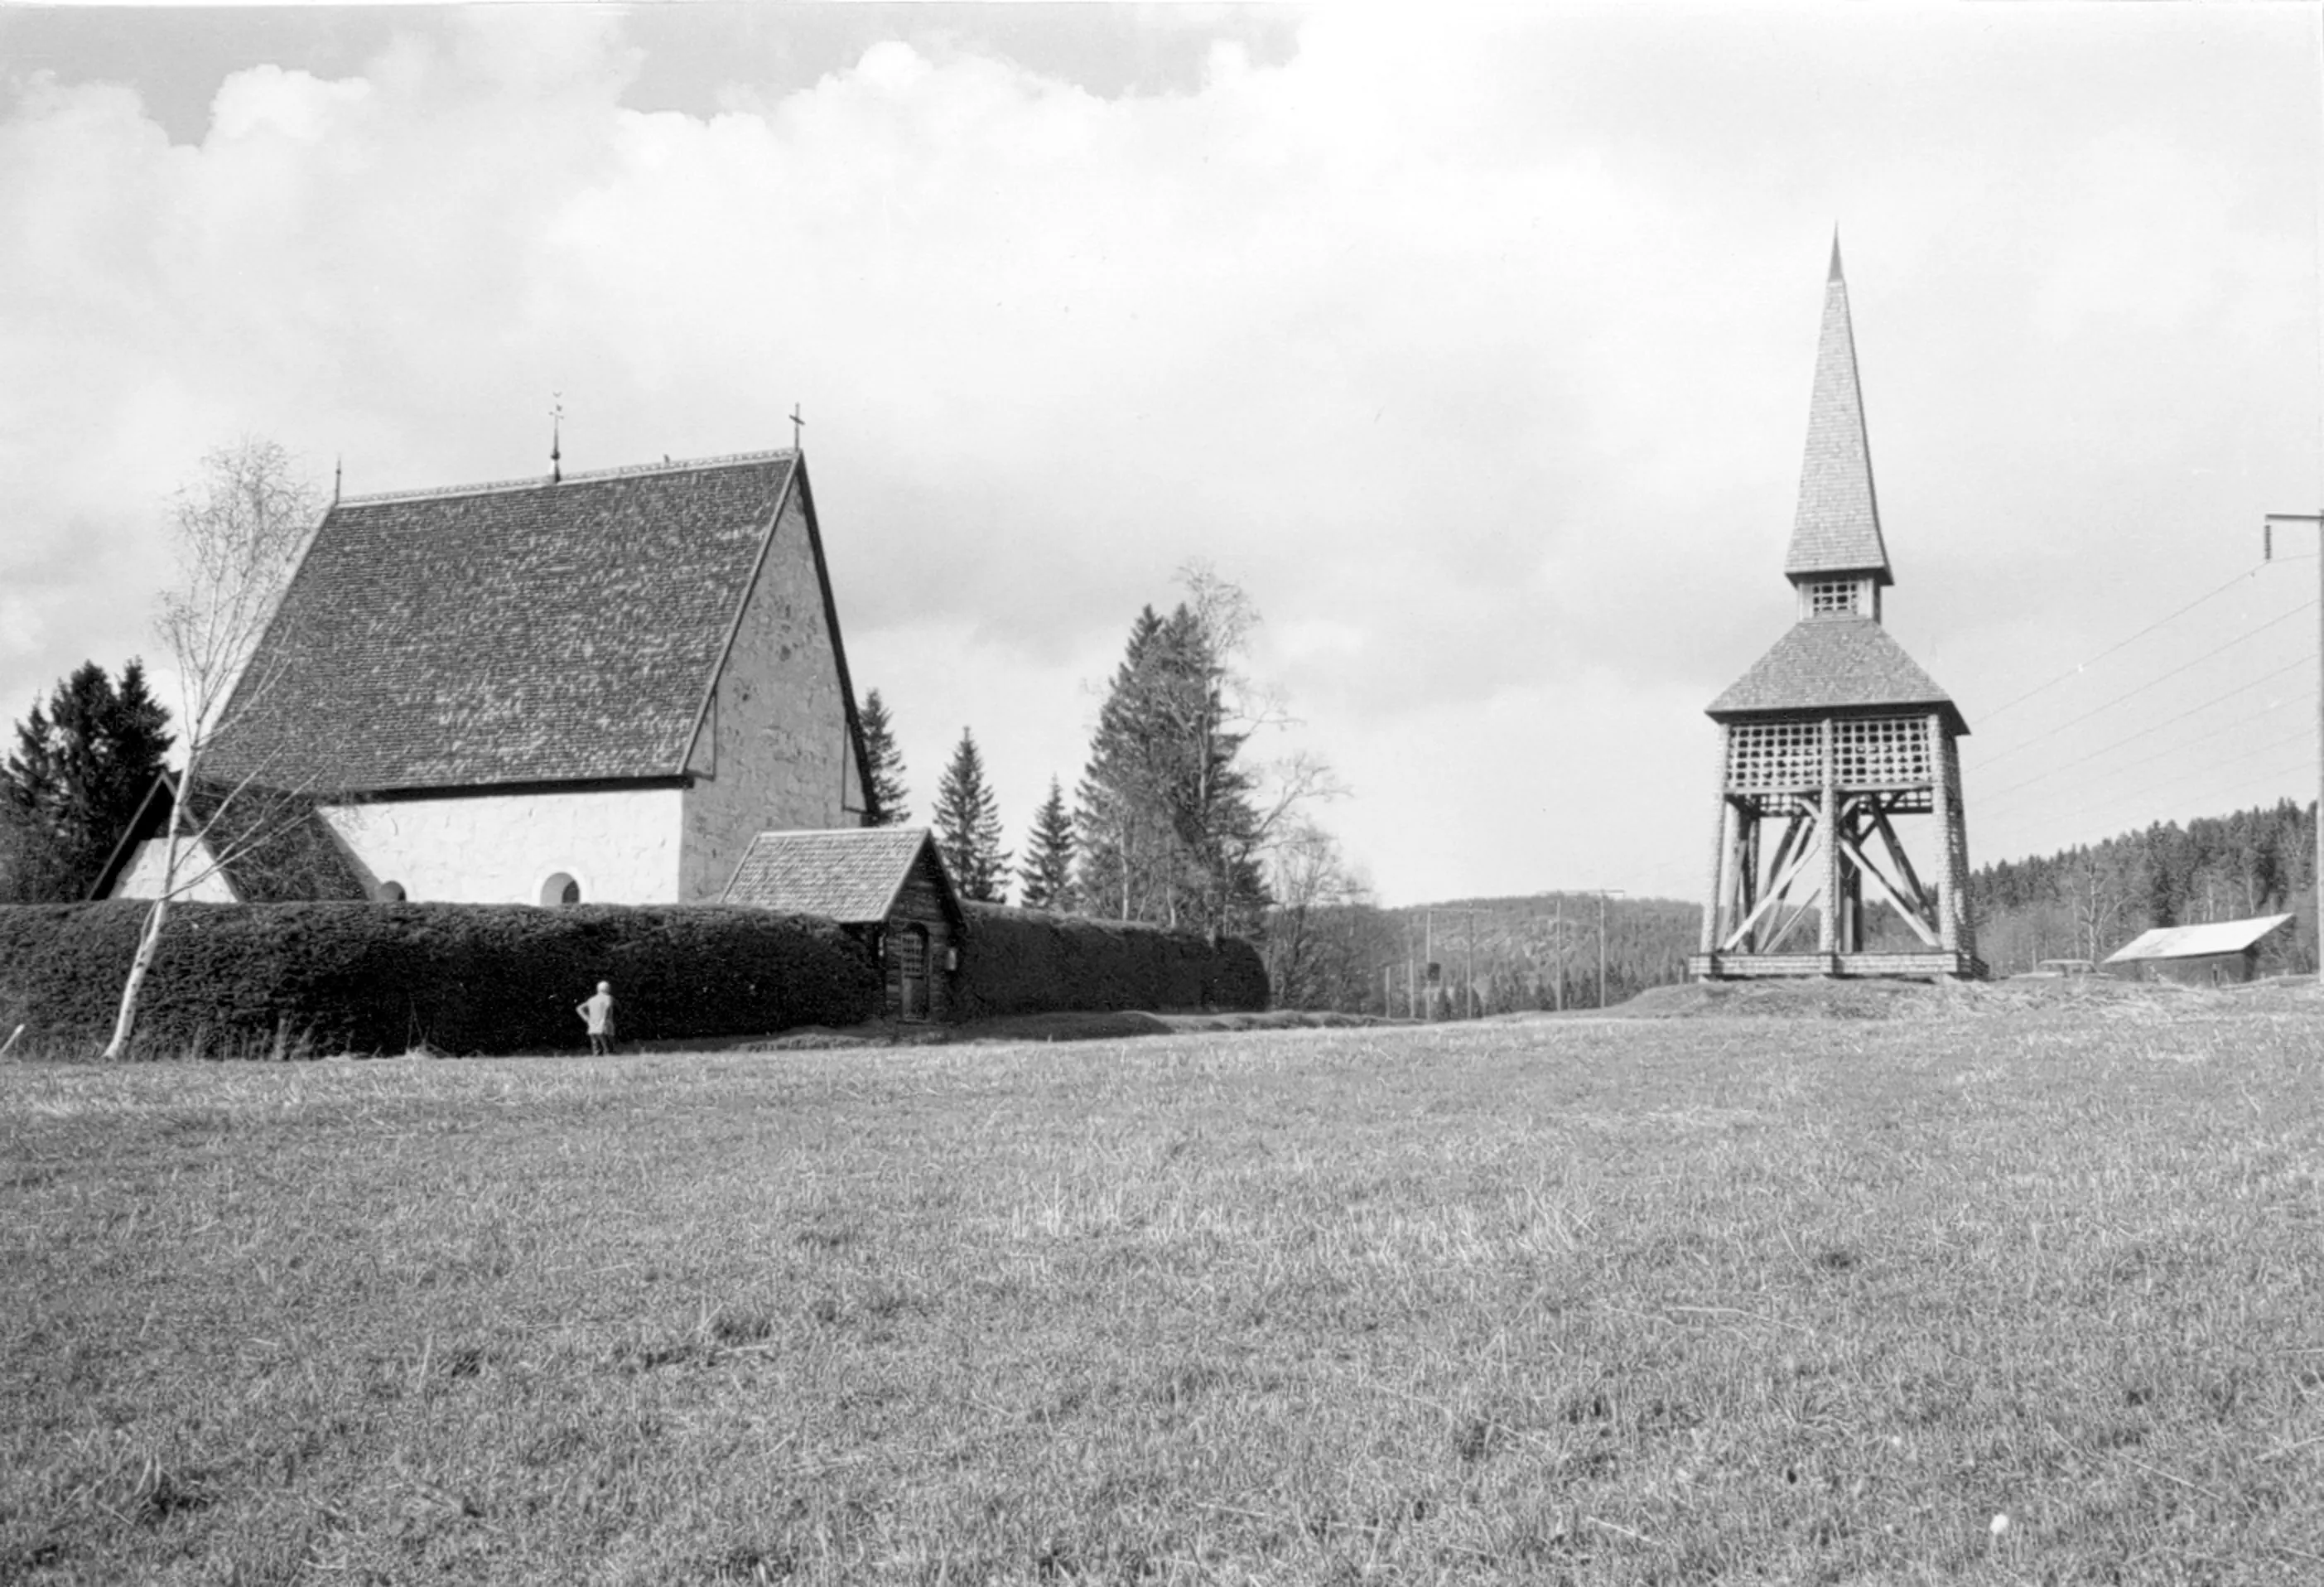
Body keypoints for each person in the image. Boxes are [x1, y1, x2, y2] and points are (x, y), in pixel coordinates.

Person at [576, 981, 616, 1055]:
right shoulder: (608, 998)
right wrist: (604, 1019)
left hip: (593, 1028)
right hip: (605, 1028)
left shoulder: (592, 999)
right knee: (609, 1051)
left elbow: (579, 1008)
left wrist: (586, 1018)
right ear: (607, 989)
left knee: (597, 1052)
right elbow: (608, 1007)